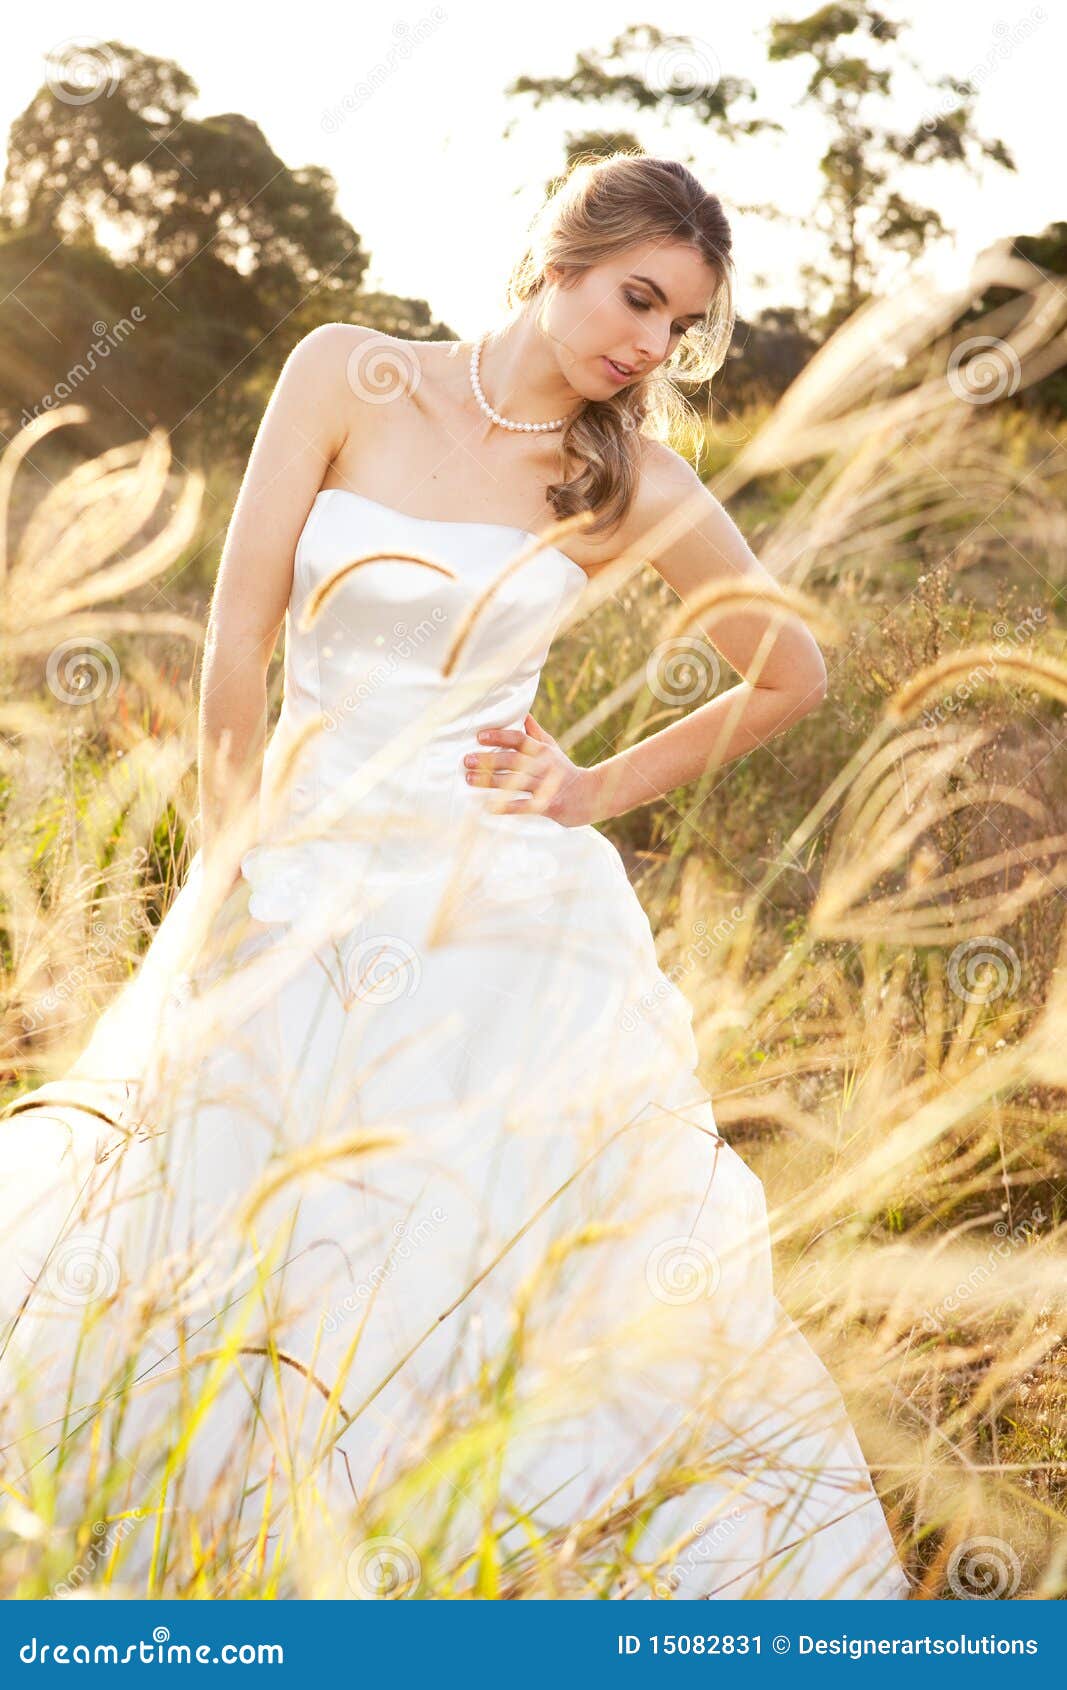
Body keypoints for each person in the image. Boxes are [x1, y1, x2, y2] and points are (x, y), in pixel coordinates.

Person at [0, 154, 909, 1600]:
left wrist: (589, 787)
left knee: (476, 1249)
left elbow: (789, 671)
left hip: (497, 909)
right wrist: (231, 862)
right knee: (224, 1211)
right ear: (562, 256)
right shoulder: (345, 373)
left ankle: (454, 1559)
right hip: (295, 866)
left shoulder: (629, 477)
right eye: (638, 299)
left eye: (680, 325)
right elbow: (239, 638)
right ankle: (226, 1542)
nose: (652, 345)